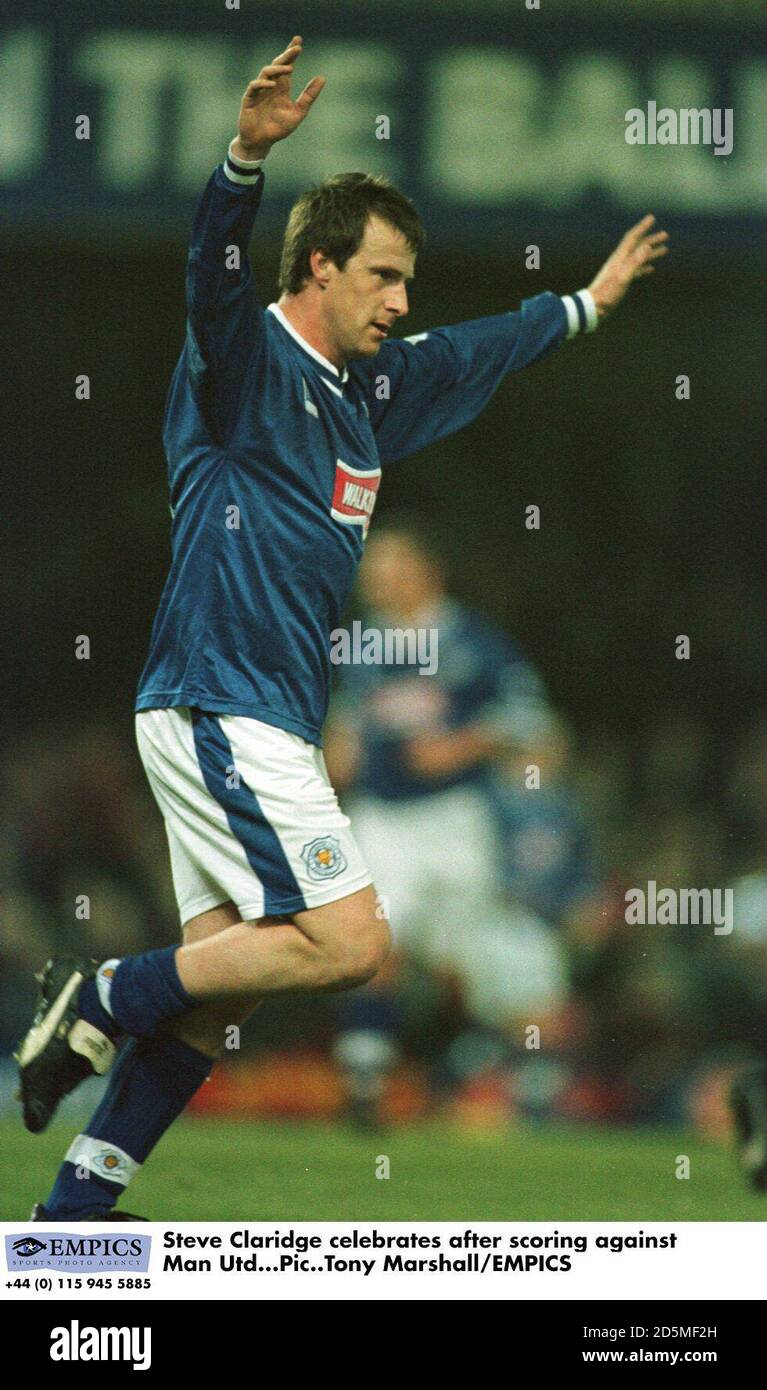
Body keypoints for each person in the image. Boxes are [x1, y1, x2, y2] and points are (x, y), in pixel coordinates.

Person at [15, 35, 669, 1219]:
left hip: (245, 710)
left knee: (219, 998)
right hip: (226, 699)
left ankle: (72, 1219)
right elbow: (208, 275)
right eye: (381, 277)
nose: (401, 301)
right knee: (353, 943)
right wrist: (241, 163)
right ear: (316, 267)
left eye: (406, 281)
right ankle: (102, 996)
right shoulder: (243, 360)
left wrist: (580, 305)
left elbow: (477, 347)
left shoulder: (366, 394)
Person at [324, 520, 567, 1122]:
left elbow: (534, 721)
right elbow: (347, 729)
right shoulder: (361, 644)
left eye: (389, 563)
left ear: (425, 569)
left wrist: (466, 743)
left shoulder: (474, 640)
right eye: (371, 565)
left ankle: (469, 1074)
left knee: (466, 956)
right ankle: (366, 1078)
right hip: (383, 817)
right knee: (374, 939)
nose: (375, 577)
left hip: (458, 819)